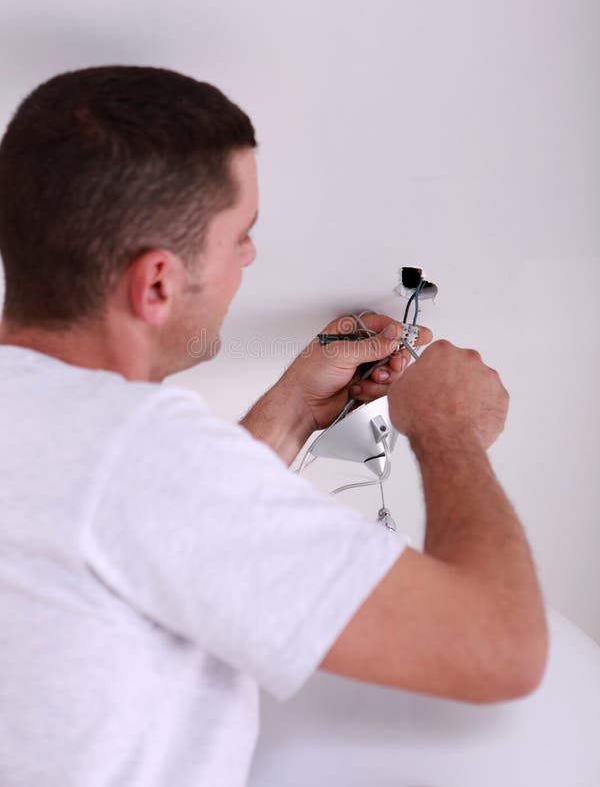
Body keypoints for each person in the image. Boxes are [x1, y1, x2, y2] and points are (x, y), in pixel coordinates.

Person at [0, 66, 548, 787]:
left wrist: (293, 409)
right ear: (158, 282)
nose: (251, 257)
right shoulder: (143, 455)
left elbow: (155, 533)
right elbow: (499, 647)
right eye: (241, 235)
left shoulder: (55, 432)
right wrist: (449, 428)